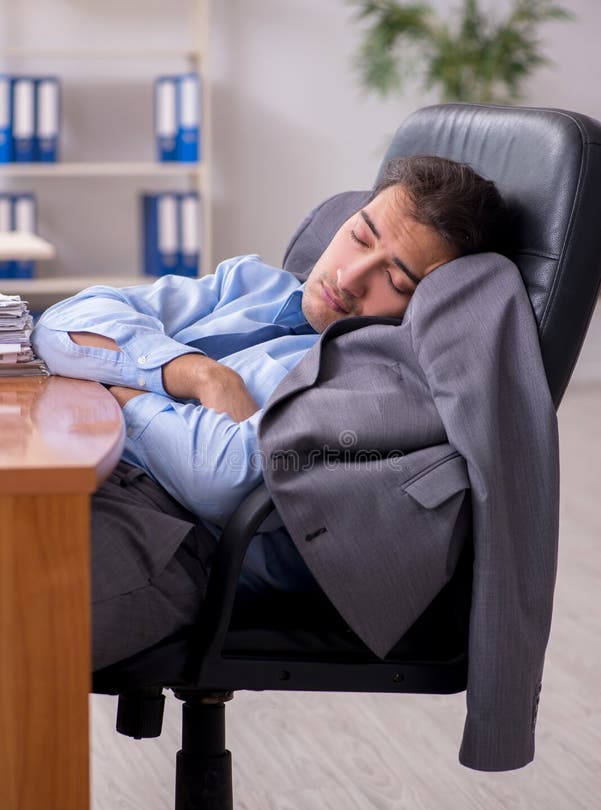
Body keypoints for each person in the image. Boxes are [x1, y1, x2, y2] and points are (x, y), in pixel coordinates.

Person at [32, 155, 511, 671]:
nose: (350, 278)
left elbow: (219, 477)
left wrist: (116, 389)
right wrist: (203, 376)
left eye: (394, 281)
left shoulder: (379, 380)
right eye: (360, 237)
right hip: (79, 465)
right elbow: (62, 322)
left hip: (171, 537)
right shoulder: (252, 284)